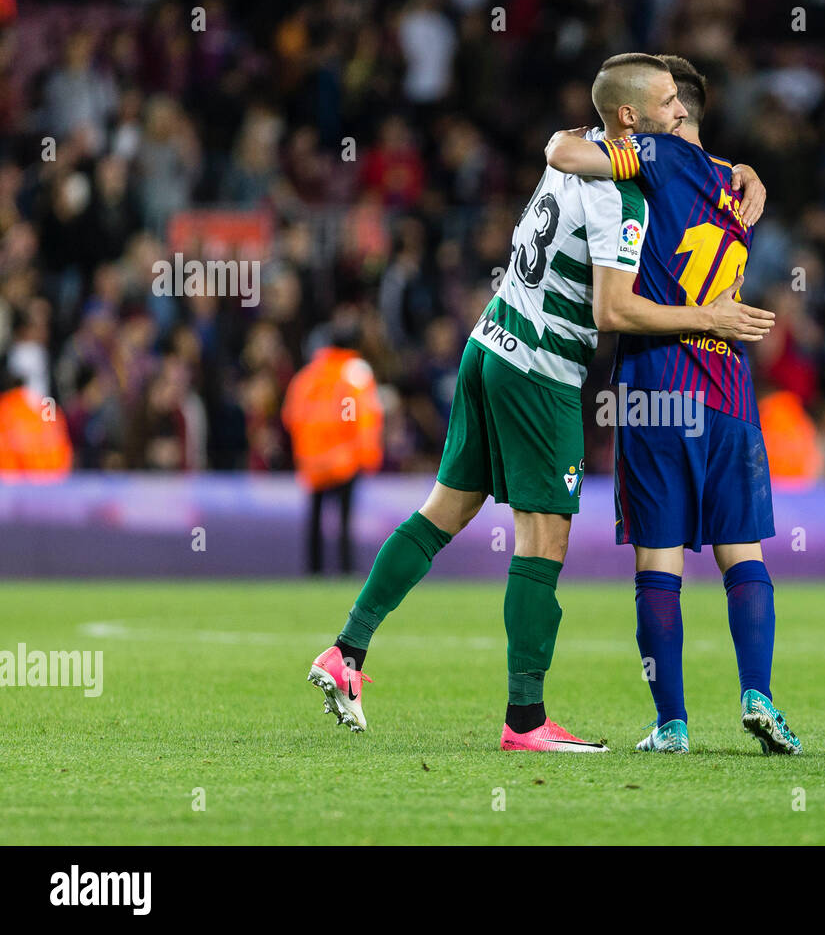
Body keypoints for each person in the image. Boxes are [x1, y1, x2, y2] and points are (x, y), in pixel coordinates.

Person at [307, 53, 774, 751]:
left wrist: (743, 170)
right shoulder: (625, 197)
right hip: (541, 368)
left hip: (489, 340)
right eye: (669, 101)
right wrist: (713, 317)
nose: (681, 110)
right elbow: (614, 310)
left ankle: (346, 650)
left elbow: (564, 146)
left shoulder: (575, 152)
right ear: (630, 117)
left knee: (446, 508)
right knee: (544, 537)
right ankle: (525, 720)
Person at [545, 55, 802, 754]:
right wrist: (748, 168)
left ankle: (672, 723)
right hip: (732, 397)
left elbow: (566, 153)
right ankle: (759, 695)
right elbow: (718, 164)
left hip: (659, 390)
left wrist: (565, 140)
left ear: (665, 112)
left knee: (659, 565)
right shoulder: (734, 184)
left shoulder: (652, 155)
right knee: (741, 553)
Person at [281, 318, 383, 574]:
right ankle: (345, 572)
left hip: (312, 460)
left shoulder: (307, 375)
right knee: (344, 522)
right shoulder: (356, 372)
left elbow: (290, 415)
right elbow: (365, 417)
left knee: (314, 520)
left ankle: (313, 573)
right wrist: (368, 456)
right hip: (344, 460)